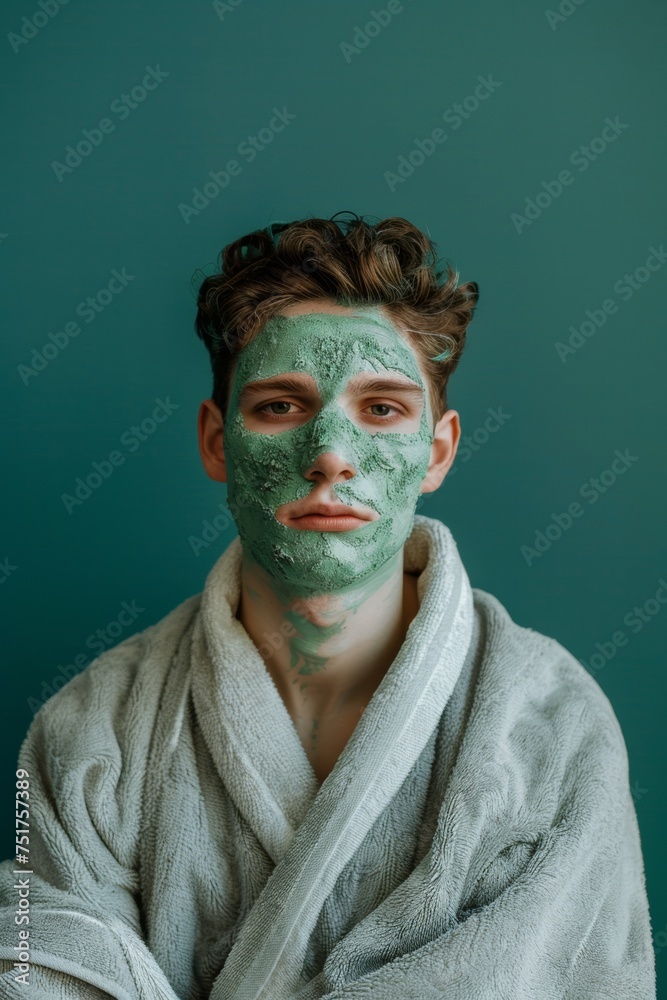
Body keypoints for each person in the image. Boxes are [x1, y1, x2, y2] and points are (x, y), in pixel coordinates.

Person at [0, 214, 656, 999]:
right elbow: (36, 958)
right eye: (280, 406)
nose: (330, 455)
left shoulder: (552, 727)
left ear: (437, 451)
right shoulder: (90, 728)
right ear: (217, 441)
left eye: (381, 409)